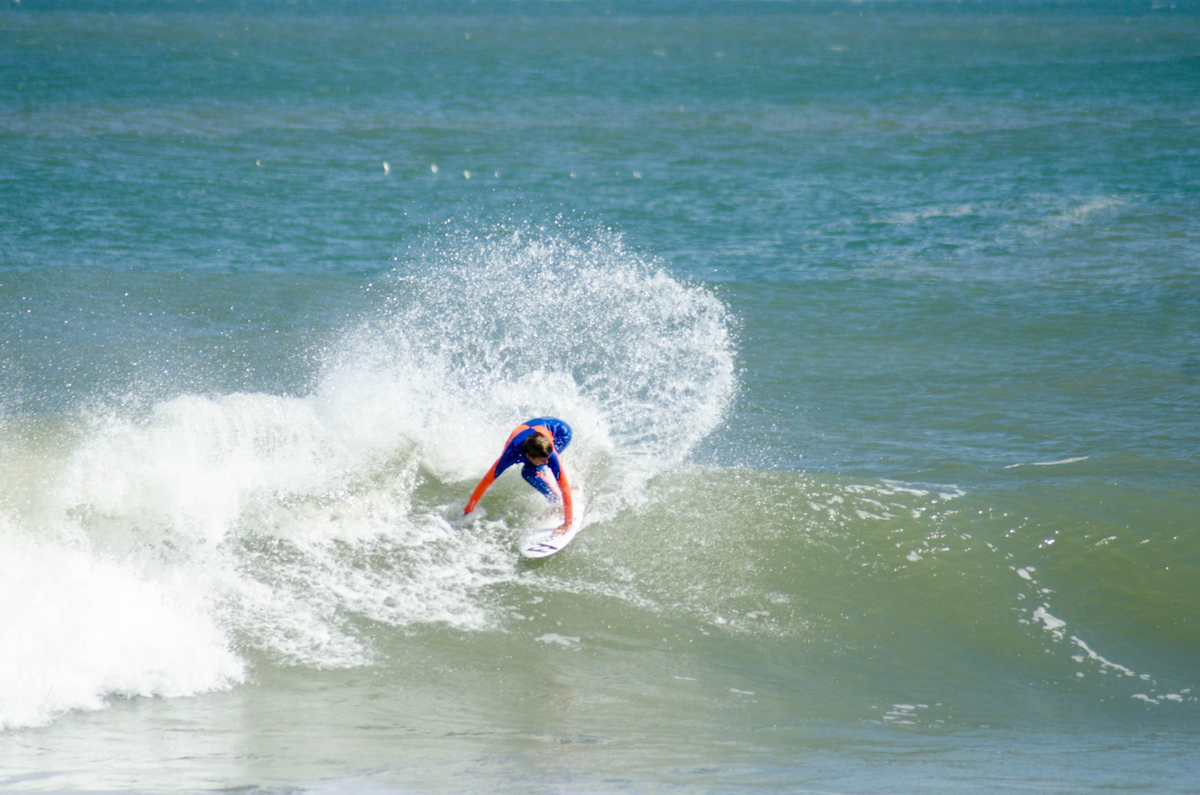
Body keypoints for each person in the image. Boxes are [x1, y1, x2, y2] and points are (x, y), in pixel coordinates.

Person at [464, 418, 574, 535]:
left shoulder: (549, 454)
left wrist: (568, 523)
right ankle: (554, 496)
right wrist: (468, 510)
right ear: (528, 456)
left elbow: (564, 486)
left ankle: (556, 503)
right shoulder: (509, 455)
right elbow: (486, 481)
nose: (547, 461)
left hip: (561, 432)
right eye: (543, 460)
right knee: (529, 473)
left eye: (546, 458)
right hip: (531, 431)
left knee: (533, 471)